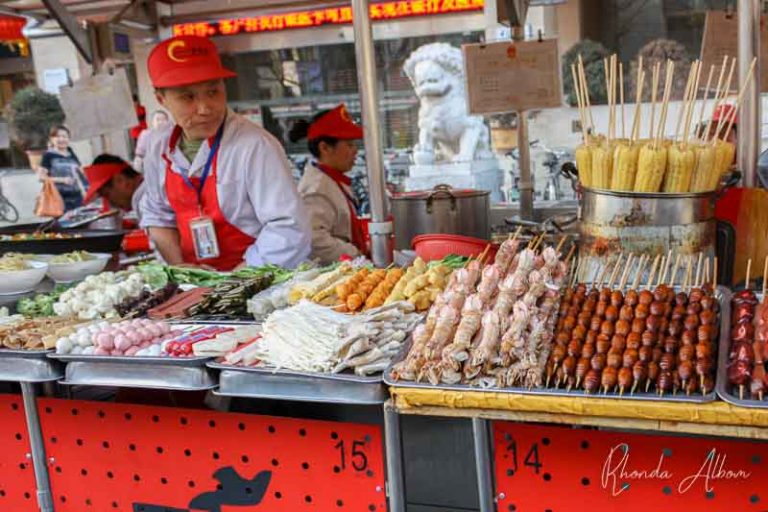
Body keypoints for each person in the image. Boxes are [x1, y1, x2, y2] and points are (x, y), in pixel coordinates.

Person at [139, 35, 311, 271]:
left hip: (256, 280)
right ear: (161, 99)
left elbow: (289, 227)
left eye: (213, 92)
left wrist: (235, 281)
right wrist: (181, 268)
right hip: (193, 285)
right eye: (187, 97)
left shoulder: (255, 146)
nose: (204, 108)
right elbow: (157, 215)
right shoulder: (158, 146)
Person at [291, 105, 366, 264]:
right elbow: (315, 240)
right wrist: (356, 254)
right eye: (349, 145)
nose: (355, 151)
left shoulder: (331, 180)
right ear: (324, 147)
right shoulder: (316, 188)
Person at [38, 125, 88, 212]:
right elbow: (41, 178)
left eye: (64, 136)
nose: (61, 139)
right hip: (59, 198)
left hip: (77, 197)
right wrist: (62, 180)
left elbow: (81, 173)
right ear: (51, 139)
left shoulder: (71, 153)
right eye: (57, 136)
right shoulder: (48, 155)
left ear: (68, 139)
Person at [82, 154, 145, 220]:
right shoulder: (141, 198)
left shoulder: (149, 199)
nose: (109, 203)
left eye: (107, 195)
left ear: (121, 181)